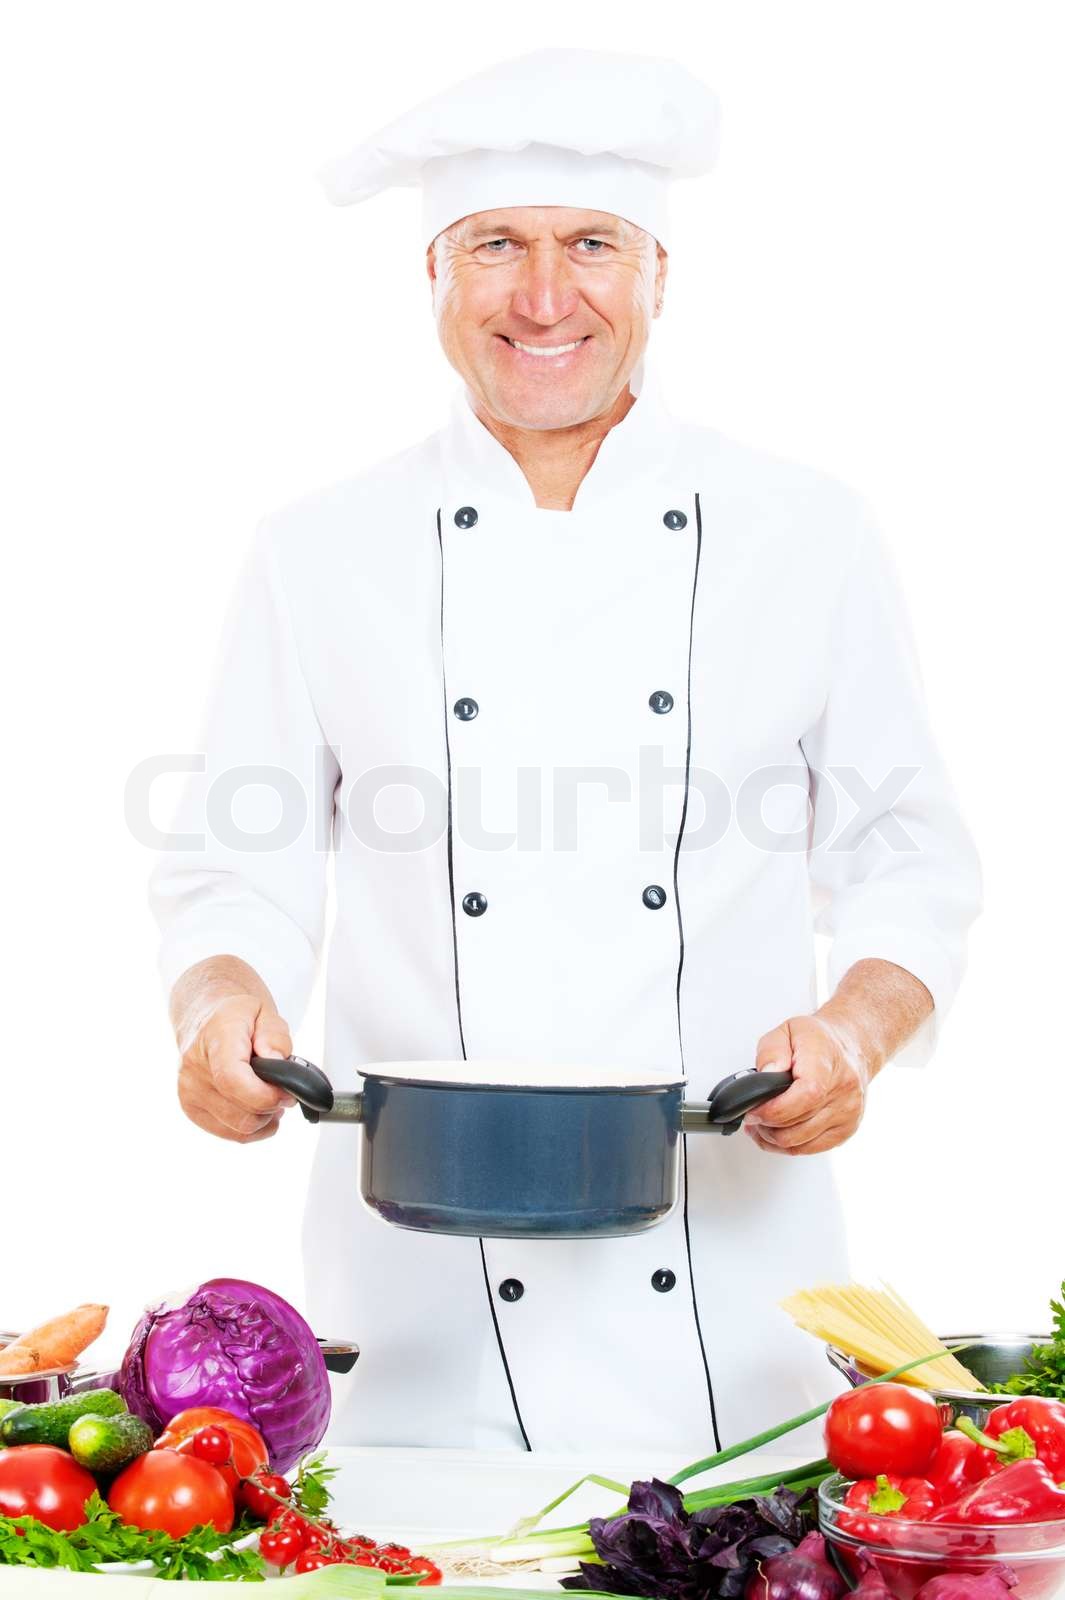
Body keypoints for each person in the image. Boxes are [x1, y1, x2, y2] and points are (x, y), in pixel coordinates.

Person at [150, 48, 982, 1457]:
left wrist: (855, 1034)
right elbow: (239, 856)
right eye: (494, 247)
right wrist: (214, 1009)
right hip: (424, 1295)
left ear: (660, 272)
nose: (544, 297)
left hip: (727, 1290)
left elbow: (911, 859)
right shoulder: (318, 551)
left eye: (589, 244)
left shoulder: (805, 530)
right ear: (432, 276)